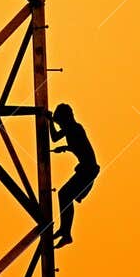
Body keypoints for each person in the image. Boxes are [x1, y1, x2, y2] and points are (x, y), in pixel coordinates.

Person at [50, 103, 99, 247]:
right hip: (86, 170)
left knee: (65, 195)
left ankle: (66, 232)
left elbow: (57, 138)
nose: (60, 126)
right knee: (64, 195)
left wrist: (49, 121)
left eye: (60, 123)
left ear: (66, 118)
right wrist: (65, 147)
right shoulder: (70, 128)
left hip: (88, 170)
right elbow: (57, 138)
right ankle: (64, 231)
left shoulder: (75, 128)